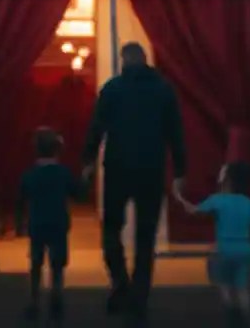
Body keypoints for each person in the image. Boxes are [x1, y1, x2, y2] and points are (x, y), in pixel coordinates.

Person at [80, 42, 187, 324]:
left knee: (111, 229)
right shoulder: (164, 89)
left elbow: (96, 126)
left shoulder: (112, 89)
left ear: (123, 61)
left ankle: (120, 284)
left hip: (118, 167)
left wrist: (88, 160)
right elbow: (175, 131)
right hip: (151, 169)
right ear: (145, 59)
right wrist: (180, 170)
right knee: (145, 235)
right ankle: (140, 297)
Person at [174, 162, 250, 327]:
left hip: (223, 250)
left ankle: (231, 312)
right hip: (244, 250)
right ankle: (243, 318)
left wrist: (179, 196)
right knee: (242, 287)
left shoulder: (217, 200)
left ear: (228, 180)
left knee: (223, 282)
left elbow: (192, 211)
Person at [16, 126, 84, 325]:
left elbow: (20, 201)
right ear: (57, 149)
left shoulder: (29, 175)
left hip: (37, 225)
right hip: (58, 224)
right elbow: (78, 194)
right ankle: (56, 296)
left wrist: (20, 224)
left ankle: (34, 300)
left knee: (36, 263)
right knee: (58, 263)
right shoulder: (63, 173)